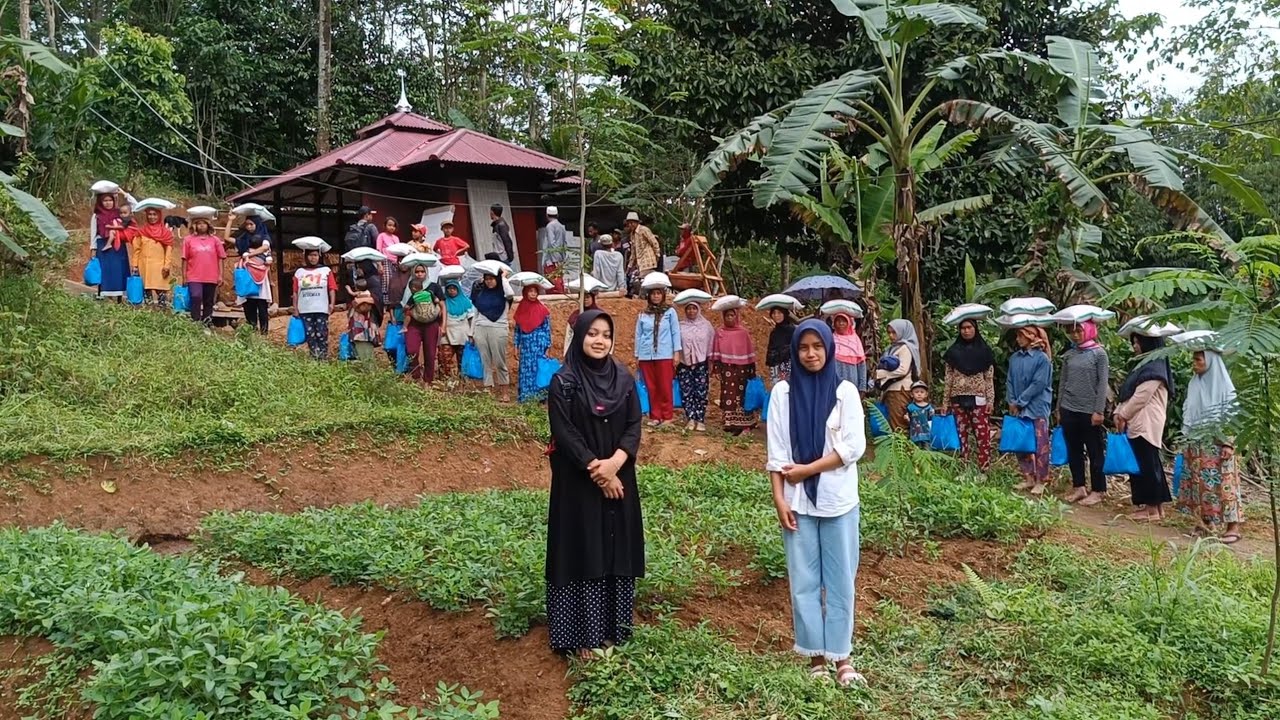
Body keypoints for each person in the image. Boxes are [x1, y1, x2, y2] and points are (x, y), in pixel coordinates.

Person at [765, 319, 866, 687]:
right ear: (795, 351)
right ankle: (815, 657)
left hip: (839, 501)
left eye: (817, 347)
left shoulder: (845, 392)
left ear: (829, 349)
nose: (811, 354)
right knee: (804, 581)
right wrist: (780, 499)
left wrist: (808, 469)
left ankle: (843, 657)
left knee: (841, 581)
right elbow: (776, 453)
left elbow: (853, 448)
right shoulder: (783, 394)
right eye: (804, 348)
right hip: (797, 504)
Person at [545, 309, 644, 658]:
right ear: (580, 336)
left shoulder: (624, 378)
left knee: (615, 547)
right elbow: (564, 432)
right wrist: (595, 469)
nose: (599, 340)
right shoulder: (564, 381)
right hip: (578, 482)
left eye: (605, 334)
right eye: (592, 334)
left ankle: (613, 629)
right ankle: (581, 635)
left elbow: (634, 425)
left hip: (619, 476)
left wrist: (616, 463)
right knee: (583, 548)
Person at [1178, 350, 1242, 543]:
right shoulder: (1194, 383)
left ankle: (1233, 526)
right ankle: (1205, 522)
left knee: (1224, 485)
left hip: (1217, 443)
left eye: (1198, 360)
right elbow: (1190, 410)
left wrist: (1228, 443)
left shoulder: (1223, 386)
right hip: (1197, 442)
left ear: (1211, 362)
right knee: (1201, 484)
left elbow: (1232, 415)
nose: (1194, 364)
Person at [1114, 333, 1174, 521]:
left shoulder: (1154, 367)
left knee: (1147, 465)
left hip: (1146, 422)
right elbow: (1130, 394)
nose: (1135, 346)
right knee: (1147, 463)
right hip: (1138, 421)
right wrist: (1119, 411)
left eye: (1138, 342)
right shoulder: (1145, 365)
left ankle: (1152, 509)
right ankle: (1155, 507)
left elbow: (1141, 397)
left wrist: (1122, 414)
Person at [1058, 321, 1110, 506]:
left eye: (1078, 330)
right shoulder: (1070, 354)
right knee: (1074, 450)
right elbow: (1063, 382)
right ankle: (1079, 486)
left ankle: (1098, 489)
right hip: (1069, 408)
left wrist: (1098, 410)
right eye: (1071, 331)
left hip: (1089, 411)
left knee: (1095, 450)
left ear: (1088, 331)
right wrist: (1059, 408)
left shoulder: (1099, 354)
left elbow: (1102, 384)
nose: (1075, 335)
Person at [940, 318, 996, 469]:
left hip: (979, 399)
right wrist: (945, 403)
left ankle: (984, 468)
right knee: (961, 435)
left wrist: (990, 401)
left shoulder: (984, 352)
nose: (966, 331)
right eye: (963, 328)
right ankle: (964, 467)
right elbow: (948, 379)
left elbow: (989, 379)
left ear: (975, 328)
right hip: (957, 399)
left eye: (969, 327)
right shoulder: (953, 352)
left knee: (982, 435)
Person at [1008, 326, 1054, 495]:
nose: (1018, 339)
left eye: (1020, 336)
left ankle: (1042, 480)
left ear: (1030, 337)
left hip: (1037, 406)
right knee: (1021, 443)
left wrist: (1020, 402)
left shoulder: (1042, 359)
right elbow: (1009, 381)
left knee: (1040, 444)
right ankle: (1028, 477)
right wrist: (1012, 401)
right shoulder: (1015, 358)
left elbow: (1039, 384)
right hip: (1018, 406)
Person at [634, 277, 681, 426]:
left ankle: (667, 416)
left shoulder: (670, 312)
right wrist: (637, 354)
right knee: (651, 386)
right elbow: (638, 335)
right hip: (646, 355)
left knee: (665, 385)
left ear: (663, 295)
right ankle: (655, 416)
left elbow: (675, 332)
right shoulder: (643, 314)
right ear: (649, 296)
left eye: (658, 293)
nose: (655, 296)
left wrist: (676, 352)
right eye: (653, 293)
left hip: (664, 354)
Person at [710, 298, 758, 435]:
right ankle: (730, 423)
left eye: (732, 315)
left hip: (742, 370)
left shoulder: (743, 333)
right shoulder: (720, 332)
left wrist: (751, 372)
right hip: (727, 369)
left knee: (743, 396)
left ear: (736, 317)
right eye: (727, 316)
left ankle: (745, 425)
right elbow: (717, 352)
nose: (730, 318)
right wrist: (717, 369)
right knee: (728, 395)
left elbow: (749, 354)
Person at [471, 268, 515, 400]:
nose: (489, 282)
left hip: (498, 327)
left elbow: (510, 293)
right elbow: (475, 313)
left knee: (499, 361)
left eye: (492, 279)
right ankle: (488, 390)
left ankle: (505, 392)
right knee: (485, 361)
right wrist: (471, 332)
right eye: (487, 279)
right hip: (480, 327)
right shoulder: (481, 294)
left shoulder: (504, 294)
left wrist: (503, 277)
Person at [675, 293, 714, 432]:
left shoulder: (706, 326)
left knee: (701, 392)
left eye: (694, 308)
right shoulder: (680, 326)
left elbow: (711, 344)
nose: (691, 311)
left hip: (701, 363)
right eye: (689, 309)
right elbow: (676, 344)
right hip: (684, 364)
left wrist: (710, 362)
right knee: (687, 392)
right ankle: (690, 418)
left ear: (698, 310)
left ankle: (700, 419)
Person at [875, 320, 921, 433]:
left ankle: (902, 450)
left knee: (899, 426)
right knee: (895, 423)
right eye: (889, 332)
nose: (891, 336)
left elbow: (902, 370)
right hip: (893, 390)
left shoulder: (905, 348)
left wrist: (881, 374)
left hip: (899, 390)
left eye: (894, 332)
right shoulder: (893, 348)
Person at [181, 216, 227, 326]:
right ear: (194, 225)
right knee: (196, 296)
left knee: (208, 300)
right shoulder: (188, 240)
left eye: (204, 223)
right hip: (194, 275)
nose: (201, 225)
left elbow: (220, 258)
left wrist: (220, 275)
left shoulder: (215, 240)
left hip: (211, 276)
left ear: (208, 225)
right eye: (198, 223)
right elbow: (184, 259)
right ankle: (195, 322)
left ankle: (206, 322)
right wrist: (184, 276)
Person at [403, 271, 446, 384]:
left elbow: (442, 305)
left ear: (427, 273)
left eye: (422, 271)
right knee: (411, 350)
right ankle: (416, 376)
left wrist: (443, 325)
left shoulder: (433, 287)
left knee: (430, 354)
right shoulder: (409, 291)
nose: (419, 274)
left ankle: (428, 380)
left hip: (431, 324)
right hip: (414, 324)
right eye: (416, 271)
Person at [292, 248, 336, 359]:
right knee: (310, 334)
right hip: (305, 309)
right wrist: (295, 308)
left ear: (319, 256)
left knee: (322, 333)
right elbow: (295, 292)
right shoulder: (299, 272)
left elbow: (332, 288)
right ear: (306, 256)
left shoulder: (326, 270)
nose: (313, 258)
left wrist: (332, 304)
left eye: (315, 255)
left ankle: (323, 357)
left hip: (321, 308)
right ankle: (314, 356)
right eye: (310, 255)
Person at [514, 282, 553, 403]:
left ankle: (540, 397)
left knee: (539, 369)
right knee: (526, 370)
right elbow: (517, 330)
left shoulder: (542, 309)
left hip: (539, 345)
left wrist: (547, 347)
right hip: (526, 346)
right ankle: (526, 397)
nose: (533, 294)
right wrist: (516, 346)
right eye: (530, 291)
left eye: (535, 291)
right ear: (525, 292)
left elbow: (547, 329)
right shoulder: (521, 308)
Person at [132, 206, 174, 306]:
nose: (152, 217)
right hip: (144, 265)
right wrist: (134, 265)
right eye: (150, 214)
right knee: (146, 290)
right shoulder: (141, 232)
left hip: (159, 266)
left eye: (154, 214)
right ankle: (149, 314)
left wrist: (167, 265)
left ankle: (161, 314)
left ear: (159, 216)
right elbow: (136, 249)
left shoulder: (166, 233)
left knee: (161, 290)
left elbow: (169, 251)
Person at [91, 192, 130, 302]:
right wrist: (93, 249)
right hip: (103, 245)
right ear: (100, 202)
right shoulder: (96, 216)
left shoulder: (120, 213)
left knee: (118, 270)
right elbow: (93, 234)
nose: (108, 203)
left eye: (110, 200)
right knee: (104, 270)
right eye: (105, 200)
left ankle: (118, 298)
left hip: (118, 245)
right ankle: (101, 294)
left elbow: (134, 206)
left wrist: (124, 194)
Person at [236, 231, 273, 335]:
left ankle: (257, 333)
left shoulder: (246, 254)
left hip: (251, 286)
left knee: (255, 311)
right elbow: (268, 263)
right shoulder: (264, 254)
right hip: (258, 287)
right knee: (259, 311)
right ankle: (260, 333)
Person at [441, 274, 476, 383]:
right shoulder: (443, 303)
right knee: (445, 360)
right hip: (446, 335)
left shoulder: (466, 302)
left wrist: (471, 334)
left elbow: (471, 320)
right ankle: (446, 382)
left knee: (463, 360)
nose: (451, 291)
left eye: (454, 288)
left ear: (458, 289)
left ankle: (464, 383)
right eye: (449, 289)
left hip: (463, 335)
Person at [831, 312, 866, 390]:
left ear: (849, 323)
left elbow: (861, 365)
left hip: (852, 383)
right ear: (834, 323)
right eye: (838, 321)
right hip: (834, 385)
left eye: (844, 321)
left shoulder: (856, 341)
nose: (841, 323)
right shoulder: (830, 340)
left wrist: (862, 388)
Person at [625, 212, 661, 289]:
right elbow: (633, 252)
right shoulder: (632, 234)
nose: (630, 225)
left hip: (648, 260)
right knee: (642, 280)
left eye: (632, 223)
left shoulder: (644, 230)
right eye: (629, 223)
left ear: (636, 222)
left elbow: (654, 242)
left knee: (642, 280)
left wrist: (657, 255)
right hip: (640, 262)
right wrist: (629, 266)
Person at [765, 307, 798, 385]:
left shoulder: (792, 330)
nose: (776, 315)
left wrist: (783, 351)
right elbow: (770, 351)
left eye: (779, 313)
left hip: (790, 367)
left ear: (785, 314)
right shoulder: (774, 332)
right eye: (774, 313)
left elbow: (796, 348)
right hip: (776, 368)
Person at [563, 288, 600, 357]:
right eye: (583, 297)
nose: (585, 299)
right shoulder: (575, 316)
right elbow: (569, 335)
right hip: (577, 351)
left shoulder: (599, 315)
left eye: (587, 297)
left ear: (593, 298)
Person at [347, 289, 380, 362]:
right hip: (361, 334)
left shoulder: (355, 306)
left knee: (365, 357)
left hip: (363, 334)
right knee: (366, 357)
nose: (367, 305)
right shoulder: (356, 307)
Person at [906, 381, 934, 447]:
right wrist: (907, 418)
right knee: (916, 450)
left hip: (927, 433)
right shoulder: (910, 407)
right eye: (916, 392)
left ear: (926, 394)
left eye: (922, 392)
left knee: (927, 449)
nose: (919, 394)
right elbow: (909, 418)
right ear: (912, 394)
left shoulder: (929, 407)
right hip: (915, 433)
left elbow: (931, 419)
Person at [542, 206, 568, 272]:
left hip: (551, 260)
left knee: (552, 279)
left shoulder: (550, 226)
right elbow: (564, 243)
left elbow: (551, 243)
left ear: (547, 215)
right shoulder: (561, 226)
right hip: (560, 258)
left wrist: (555, 260)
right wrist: (562, 257)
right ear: (557, 215)